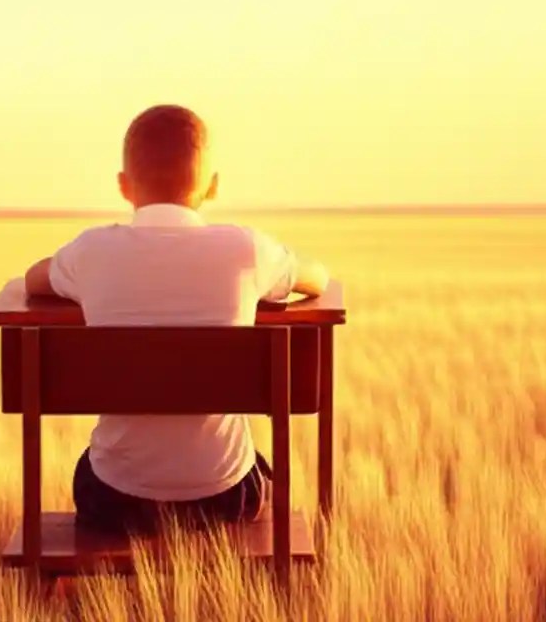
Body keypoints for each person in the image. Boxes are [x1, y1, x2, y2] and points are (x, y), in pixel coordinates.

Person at [22, 104, 330, 534]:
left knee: (97, 461)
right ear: (213, 187)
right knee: (257, 465)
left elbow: (34, 280)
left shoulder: (91, 252)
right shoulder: (247, 251)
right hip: (224, 498)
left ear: (124, 186)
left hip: (113, 499)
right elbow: (318, 280)